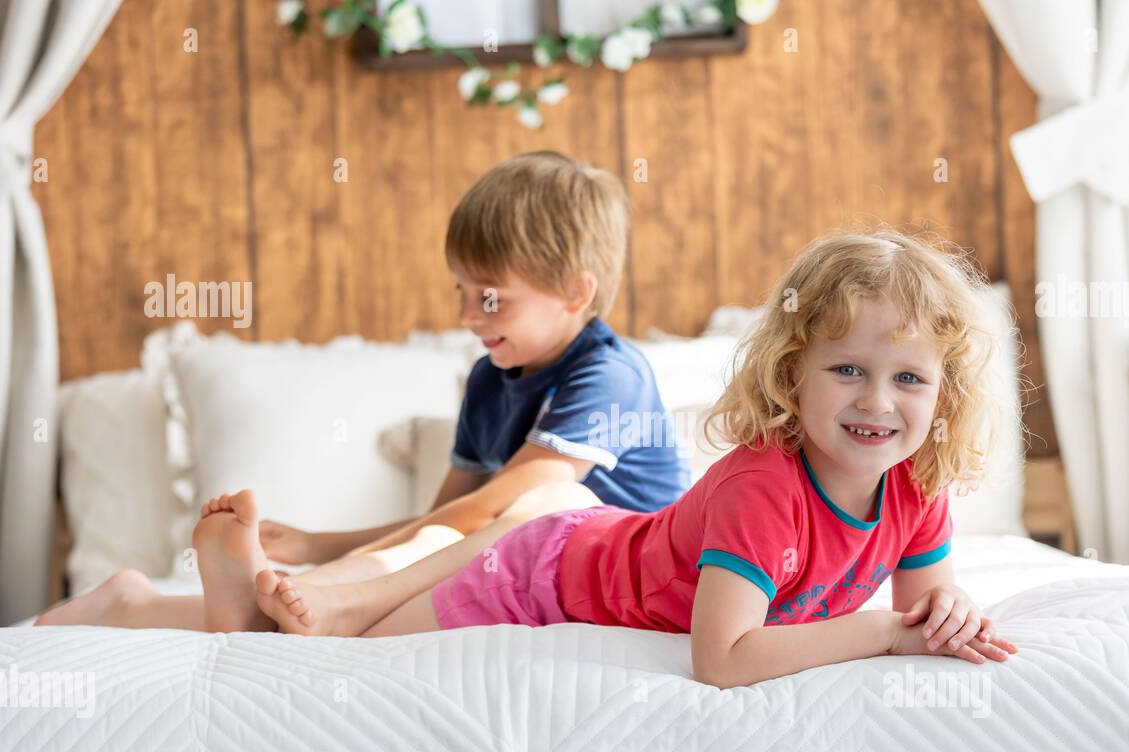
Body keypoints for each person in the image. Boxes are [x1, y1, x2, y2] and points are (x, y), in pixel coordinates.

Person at [241, 229, 1022, 688]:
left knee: (342, 621)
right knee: (341, 657)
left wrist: (946, 615)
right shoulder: (764, 487)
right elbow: (725, 659)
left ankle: (170, 600)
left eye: (909, 378)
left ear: (942, 396)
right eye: (847, 369)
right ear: (792, 374)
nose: (878, 403)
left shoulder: (920, 485)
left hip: (585, 534)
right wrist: (885, 631)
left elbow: (922, 615)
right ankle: (184, 607)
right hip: (541, 574)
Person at [37, 151, 687, 632]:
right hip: (521, 573)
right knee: (415, 575)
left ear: (577, 292)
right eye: (459, 291)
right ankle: (149, 605)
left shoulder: (610, 375)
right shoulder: (490, 379)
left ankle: (273, 604)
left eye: (490, 296)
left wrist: (322, 572)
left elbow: (491, 513)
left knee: (553, 499)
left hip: (618, 583)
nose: (467, 316)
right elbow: (443, 525)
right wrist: (319, 545)